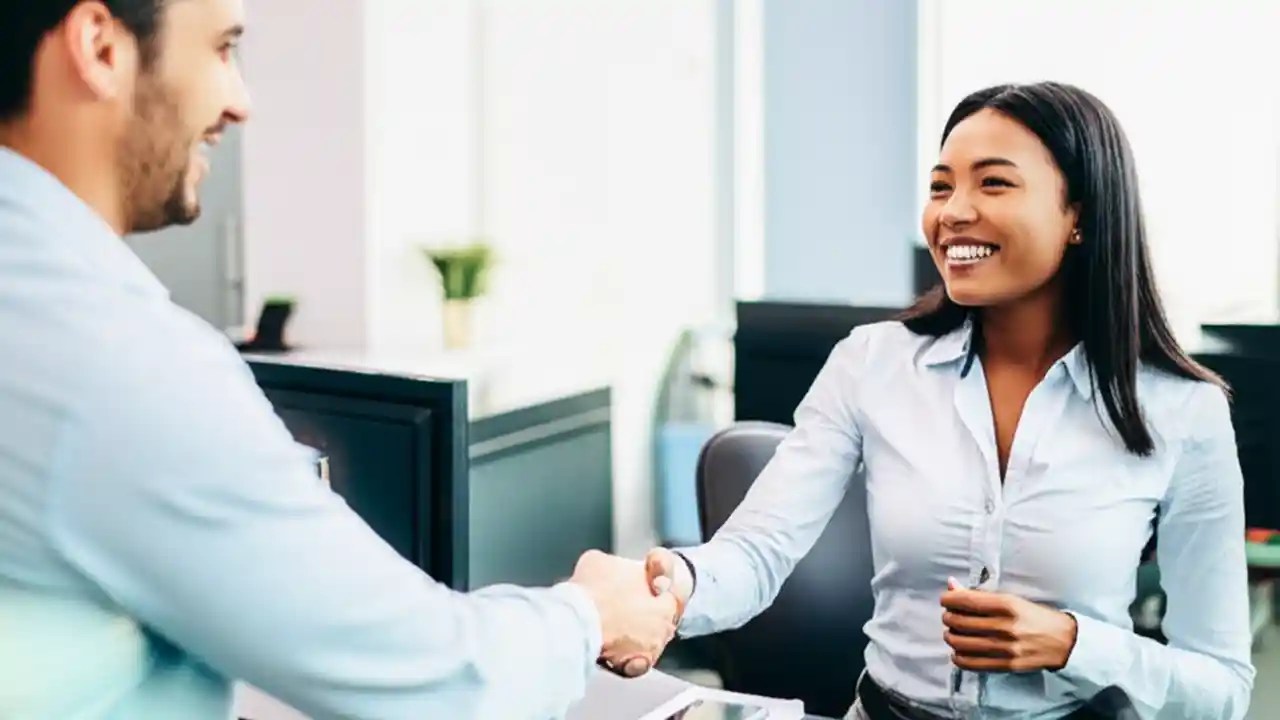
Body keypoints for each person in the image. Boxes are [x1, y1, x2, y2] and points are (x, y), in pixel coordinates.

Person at [0, 2, 675, 718]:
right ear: (101, 47)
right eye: (223, 49)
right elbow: (441, 685)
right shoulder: (119, 361)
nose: (240, 101)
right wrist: (590, 615)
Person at [644, 82, 1256, 719]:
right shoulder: (872, 363)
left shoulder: (1183, 411)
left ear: (1080, 214)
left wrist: (1076, 644)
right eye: (941, 186)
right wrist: (667, 591)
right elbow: (754, 551)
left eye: (993, 184)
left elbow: (1220, 689)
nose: (952, 212)